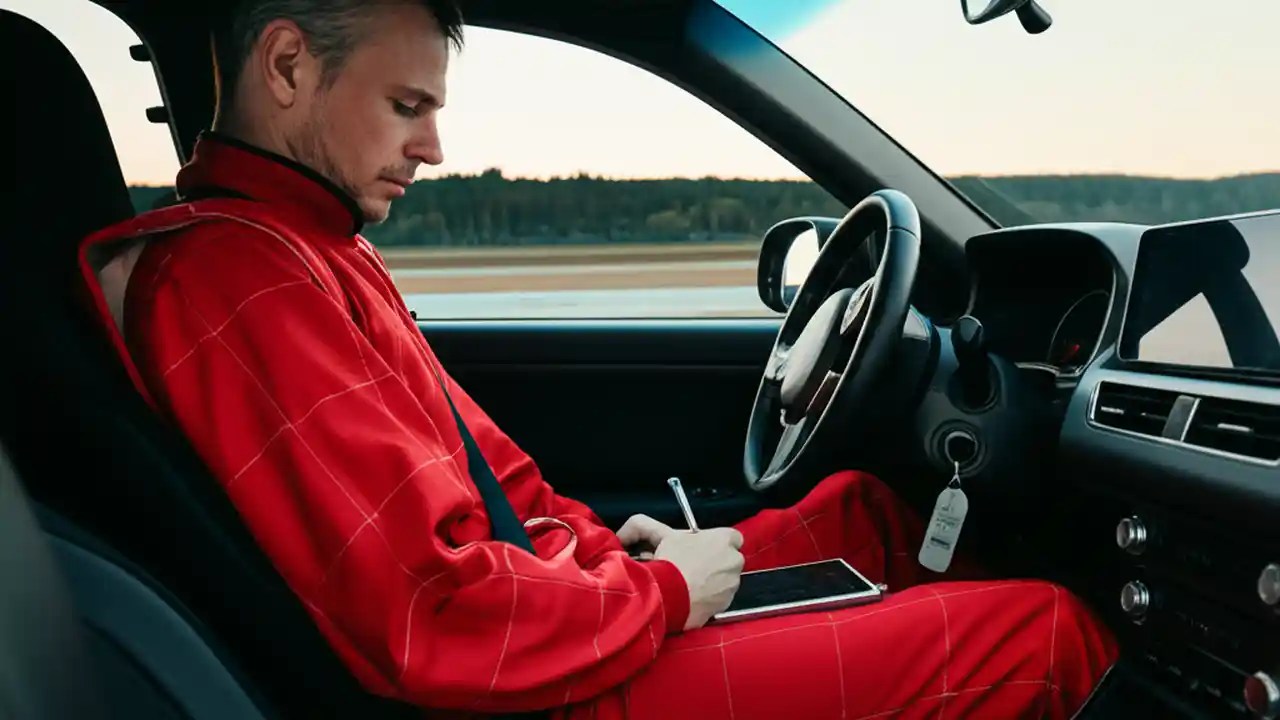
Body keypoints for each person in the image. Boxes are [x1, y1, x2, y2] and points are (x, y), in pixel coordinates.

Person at [77, 0, 1118, 717]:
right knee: (1041, 636)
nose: (434, 146)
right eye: (407, 106)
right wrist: (661, 598)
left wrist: (608, 557)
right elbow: (428, 614)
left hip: (542, 629)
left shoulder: (307, 249)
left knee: (869, 514)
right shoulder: (242, 286)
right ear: (291, 65)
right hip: (528, 692)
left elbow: (487, 482)